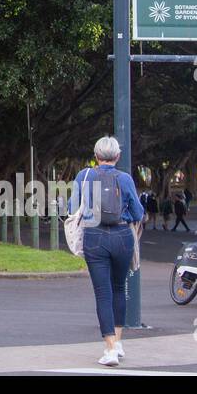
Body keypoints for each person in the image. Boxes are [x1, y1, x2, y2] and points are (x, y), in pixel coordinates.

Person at [70, 136, 144, 367]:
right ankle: (118, 343)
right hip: (122, 236)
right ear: (117, 156)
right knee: (119, 288)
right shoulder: (125, 179)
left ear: (96, 156)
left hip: (95, 237)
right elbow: (138, 212)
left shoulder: (84, 177)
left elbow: (74, 208)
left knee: (103, 293)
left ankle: (109, 348)